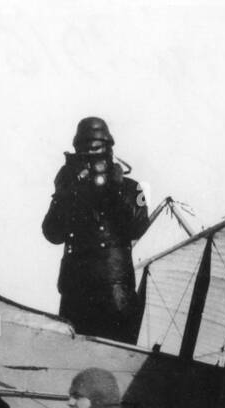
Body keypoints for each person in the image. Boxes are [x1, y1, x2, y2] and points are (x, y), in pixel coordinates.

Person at [41, 116, 150, 344]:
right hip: (77, 295)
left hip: (116, 297)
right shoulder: (70, 190)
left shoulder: (130, 187)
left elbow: (139, 226)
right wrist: (65, 194)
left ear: (109, 152)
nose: (93, 163)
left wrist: (118, 191)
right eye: (86, 155)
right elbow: (52, 233)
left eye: (98, 153)